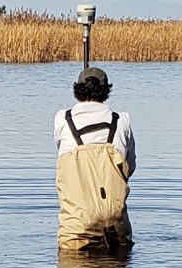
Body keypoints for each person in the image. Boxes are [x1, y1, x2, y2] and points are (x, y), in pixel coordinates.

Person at [54, 66, 134, 253]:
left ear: (77, 89)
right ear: (106, 91)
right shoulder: (122, 121)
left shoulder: (62, 120)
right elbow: (130, 168)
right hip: (114, 221)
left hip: (77, 224)